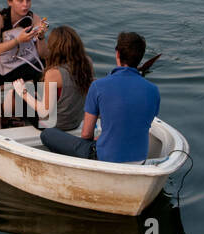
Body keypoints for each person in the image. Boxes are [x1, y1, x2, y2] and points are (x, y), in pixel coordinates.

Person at [40, 32, 159, 163]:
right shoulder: (154, 90)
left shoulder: (98, 86)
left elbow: (86, 134)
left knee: (47, 134)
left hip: (104, 157)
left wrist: (102, 138)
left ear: (117, 54)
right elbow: (141, 123)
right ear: (140, 57)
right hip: (140, 158)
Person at [0, 0, 49, 128]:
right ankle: (15, 113)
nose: (25, 5)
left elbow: (43, 54)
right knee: (29, 81)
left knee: (47, 70)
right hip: (2, 67)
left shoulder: (33, 18)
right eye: (20, 1)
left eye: (28, 0)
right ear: (10, 1)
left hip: (26, 62)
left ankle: (40, 109)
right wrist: (18, 40)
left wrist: (41, 37)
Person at [10, 25, 94, 134]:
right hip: (75, 121)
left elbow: (44, 111)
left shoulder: (54, 73)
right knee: (38, 82)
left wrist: (23, 92)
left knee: (17, 93)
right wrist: (41, 38)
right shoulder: (87, 62)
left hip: (53, 125)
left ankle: (15, 120)